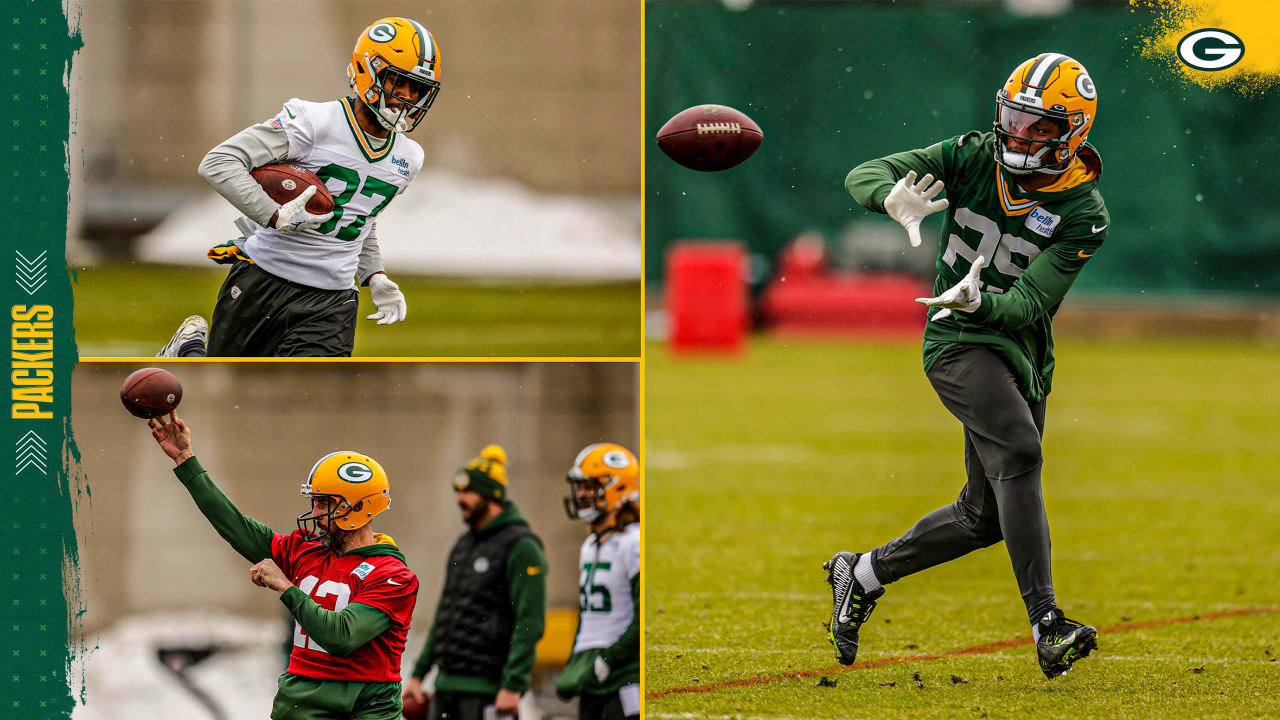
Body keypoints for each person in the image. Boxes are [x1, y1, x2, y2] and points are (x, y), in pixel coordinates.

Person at [828, 52, 1107, 679]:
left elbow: (1030, 302)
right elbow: (865, 172)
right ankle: (1048, 624)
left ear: (1071, 133)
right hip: (954, 340)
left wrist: (983, 301)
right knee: (1021, 449)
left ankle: (863, 572)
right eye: (1014, 119)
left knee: (983, 518)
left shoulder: (1084, 213)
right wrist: (887, 197)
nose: (1019, 135)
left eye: (1039, 127)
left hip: (1018, 349)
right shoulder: (972, 154)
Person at [156, 16, 441, 357]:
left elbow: (360, 216)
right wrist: (274, 215)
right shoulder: (313, 121)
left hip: (332, 304)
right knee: (229, 387)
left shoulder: (408, 157)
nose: (406, 97)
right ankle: (188, 349)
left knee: (311, 387)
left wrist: (373, 274)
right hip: (264, 280)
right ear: (368, 71)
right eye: (398, 82)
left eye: (417, 88)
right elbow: (219, 162)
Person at [146, 412, 420, 718]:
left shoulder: (394, 576)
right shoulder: (306, 550)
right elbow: (235, 525)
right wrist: (186, 460)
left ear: (357, 507)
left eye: (324, 504)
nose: (314, 513)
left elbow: (341, 637)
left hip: (360, 710)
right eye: (314, 502)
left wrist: (285, 586)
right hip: (299, 705)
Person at [404, 446, 547, 719]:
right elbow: (445, 614)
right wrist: (418, 674)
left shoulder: (522, 546)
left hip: (489, 692)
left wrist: (513, 685)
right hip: (445, 689)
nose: (459, 499)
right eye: (458, 492)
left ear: (491, 495)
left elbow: (529, 622)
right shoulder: (463, 544)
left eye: (468, 492)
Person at [555, 444, 641, 720]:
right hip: (593, 672)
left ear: (618, 487)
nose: (581, 494)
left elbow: (643, 617)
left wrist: (609, 659)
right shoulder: (590, 546)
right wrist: (575, 662)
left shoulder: (634, 541)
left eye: (590, 487)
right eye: (579, 487)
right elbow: (587, 615)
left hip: (623, 674)